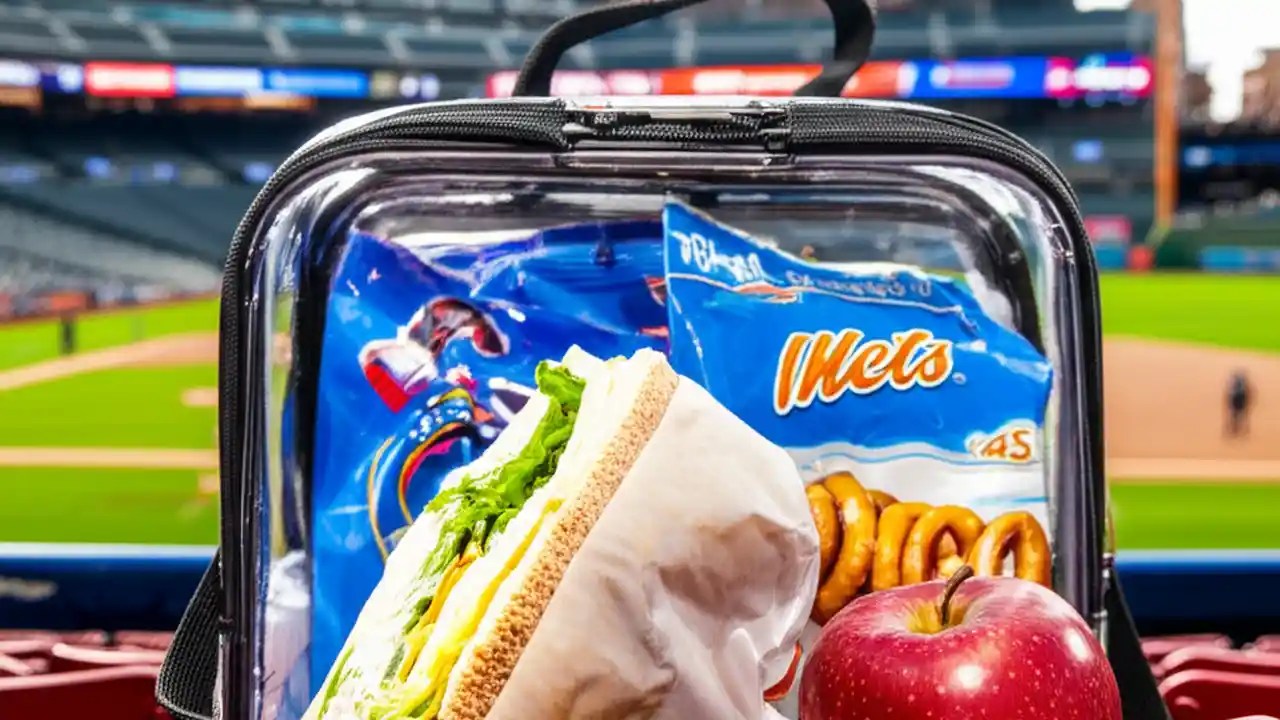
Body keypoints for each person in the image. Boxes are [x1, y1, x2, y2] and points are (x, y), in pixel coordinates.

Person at [1226, 369, 1253, 438]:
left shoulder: (1234, 386)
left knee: (1235, 413)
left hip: (1237, 398)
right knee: (1242, 413)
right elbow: (1248, 393)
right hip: (1241, 397)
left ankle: (1236, 428)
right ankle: (1243, 428)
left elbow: (1230, 395)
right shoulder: (1243, 385)